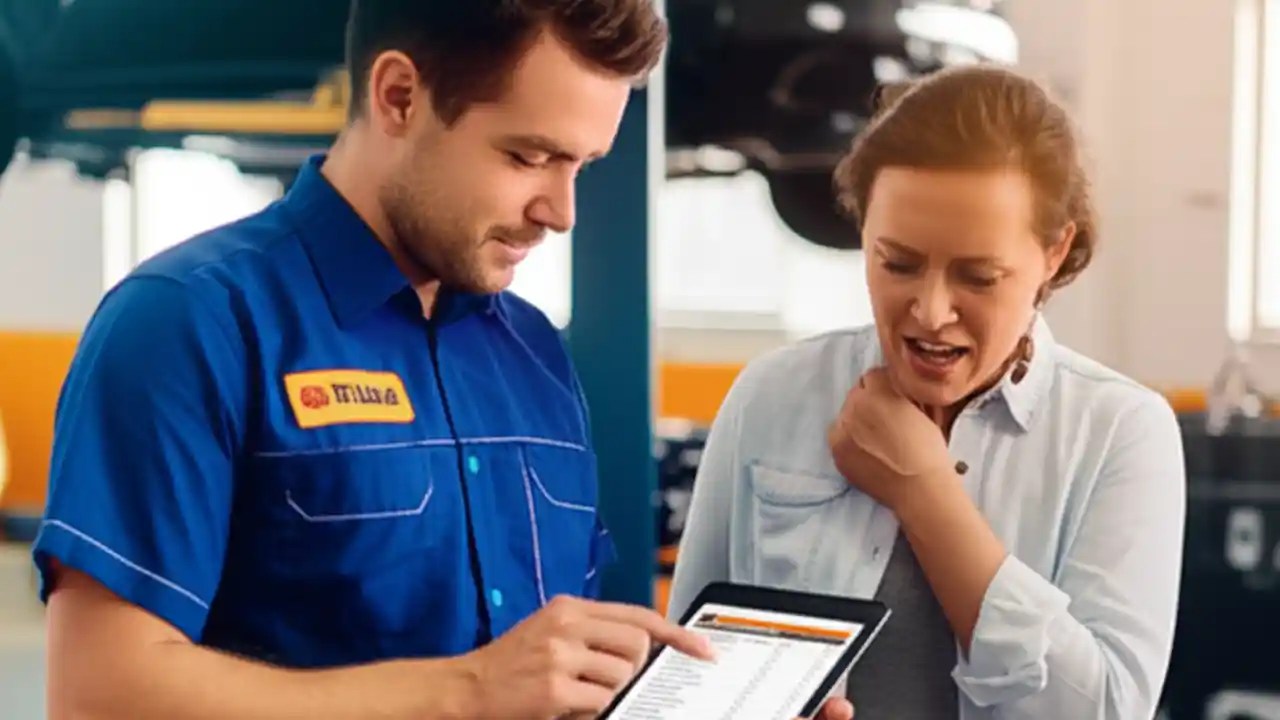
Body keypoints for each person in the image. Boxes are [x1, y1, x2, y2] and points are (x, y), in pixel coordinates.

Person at [31, 1, 858, 718]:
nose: (561, 211)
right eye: (528, 156)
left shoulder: (532, 357)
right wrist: (466, 691)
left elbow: (555, 687)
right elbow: (100, 694)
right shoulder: (190, 324)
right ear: (398, 96)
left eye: (581, 164)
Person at [668, 64, 1187, 720]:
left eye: (977, 276)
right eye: (898, 263)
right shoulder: (772, 397)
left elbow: (1106, 710)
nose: (931, 311)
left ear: (1054, 254)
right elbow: (688, 685)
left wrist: (926, 495)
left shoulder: (1120, 432)